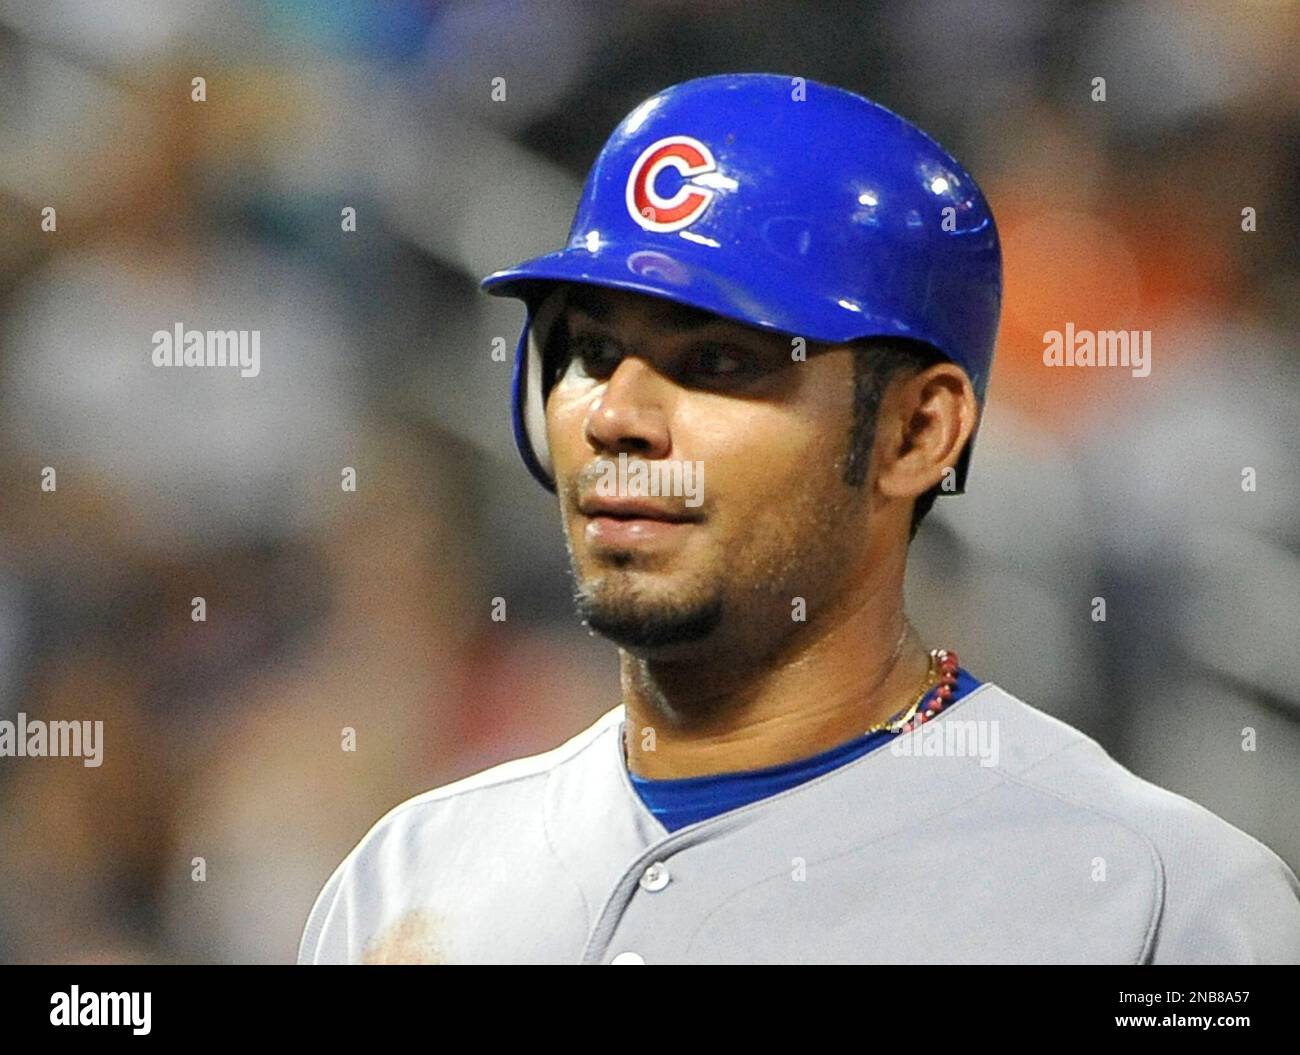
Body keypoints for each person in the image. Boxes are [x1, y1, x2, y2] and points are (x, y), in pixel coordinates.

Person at [298, 74, 1300, 964]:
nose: (615, 416)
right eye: (594, 355)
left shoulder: (1157, 898)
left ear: (918, 431)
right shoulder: (408, 876)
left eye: (719, 362)